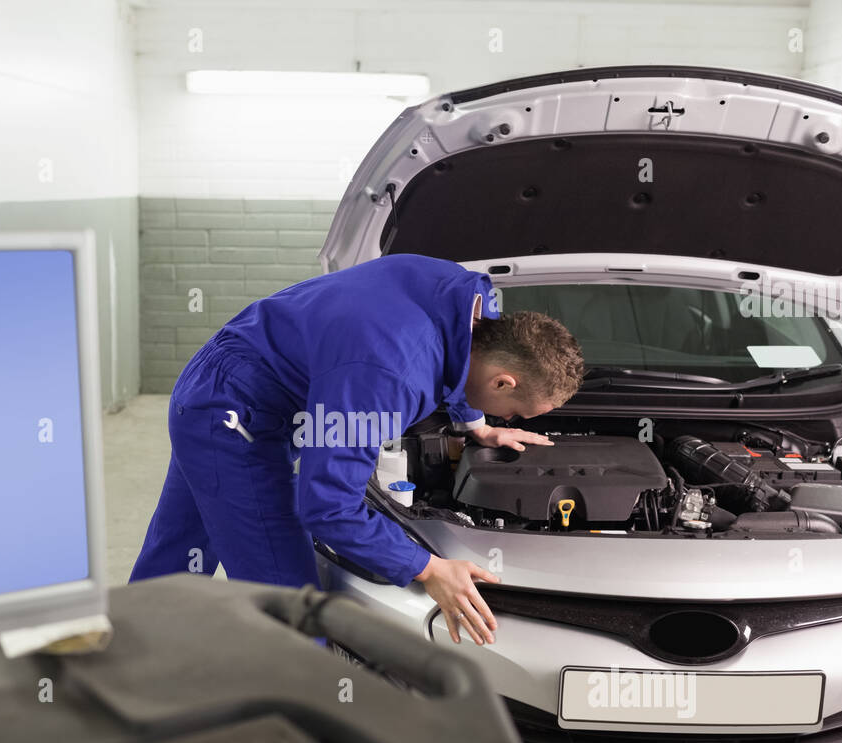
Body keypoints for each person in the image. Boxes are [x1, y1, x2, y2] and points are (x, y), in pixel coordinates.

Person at [129, 253, 583, 644]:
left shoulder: (470, 301)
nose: (513, 423)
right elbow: (328, 507)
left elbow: (461, 359)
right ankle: (303, 729)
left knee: (178, 550)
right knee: (291, 602)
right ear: (504, 382)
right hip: (233, 417)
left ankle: (129, 660)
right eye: (517, 414)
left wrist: (478, 426)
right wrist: (426, 567)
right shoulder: (389, 374)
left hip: (222, 380)